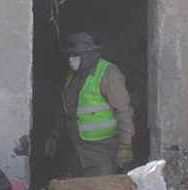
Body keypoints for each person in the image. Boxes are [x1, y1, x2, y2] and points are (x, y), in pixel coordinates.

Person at [44, 32, 135, 177]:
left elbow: (123, 111)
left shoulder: (109, 74)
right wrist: (55, 136)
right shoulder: (72, 76)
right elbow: (65, 109)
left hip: (102, 151)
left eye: (75, 55)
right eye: (70, 55)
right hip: (77, 150)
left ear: (88, 54)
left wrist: (125, 146)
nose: (71, 59)